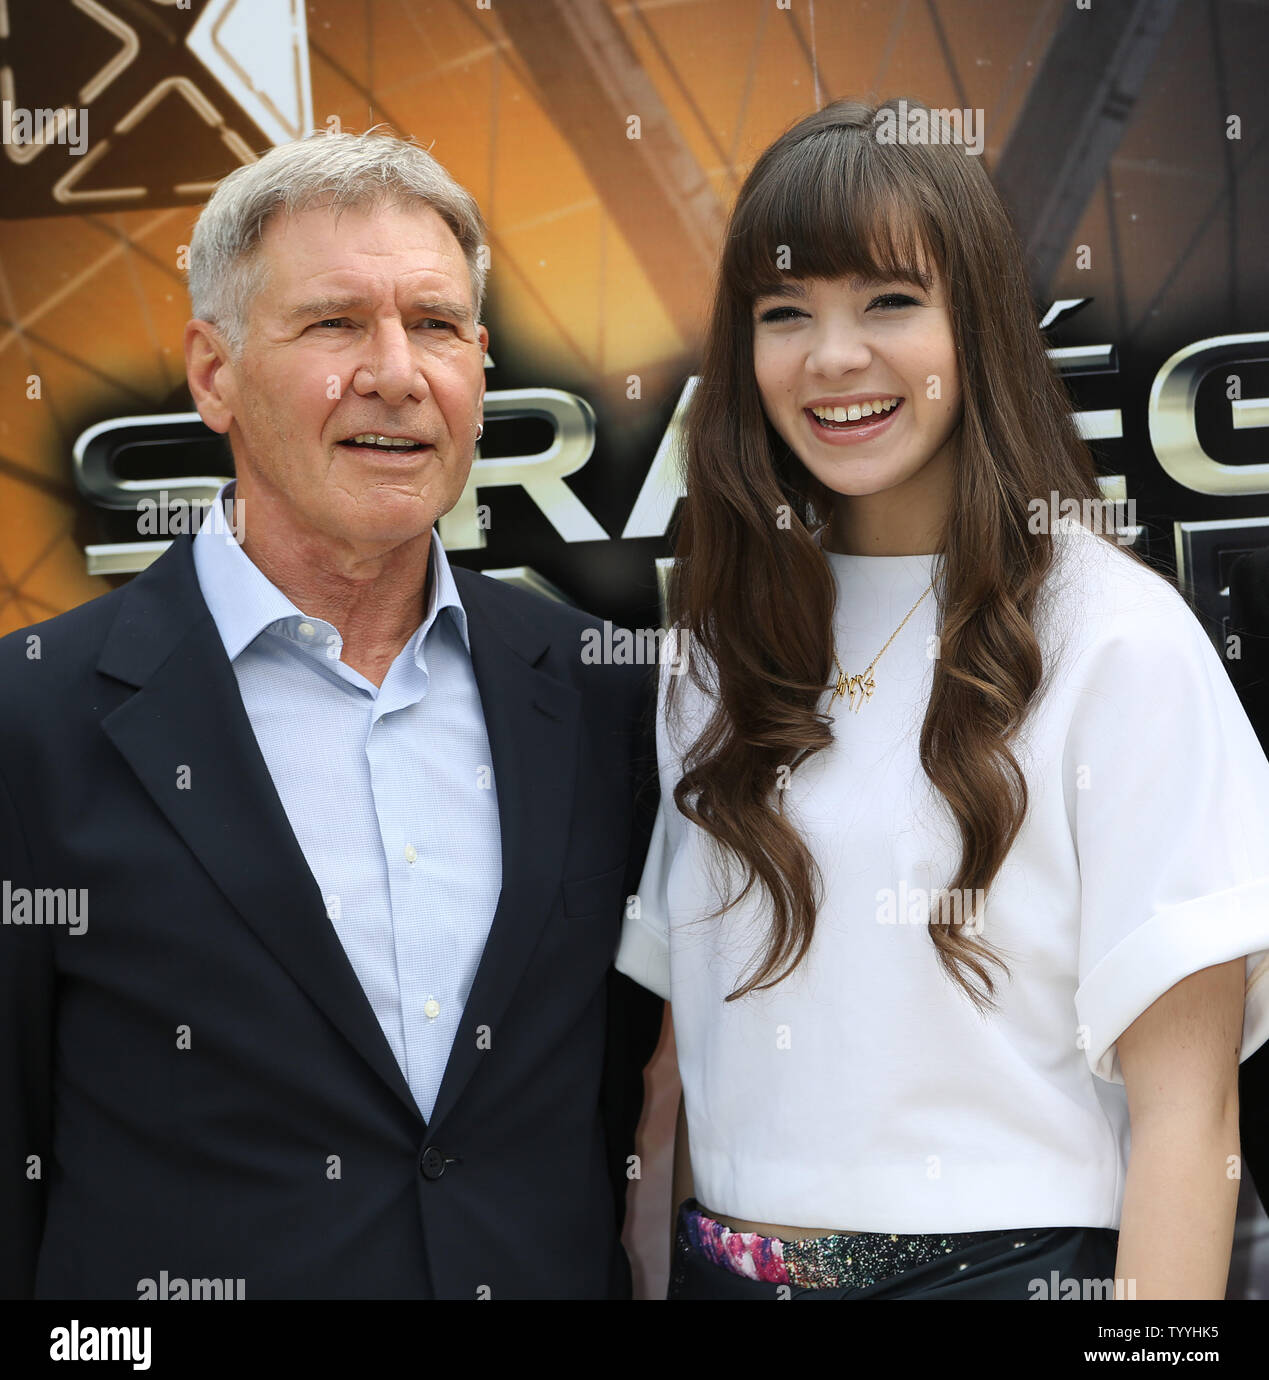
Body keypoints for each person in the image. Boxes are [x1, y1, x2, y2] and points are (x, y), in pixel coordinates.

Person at [616, 97, 1269, 1300]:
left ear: (979, 325)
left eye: (889, 302)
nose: (832, 357)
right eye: (783, 314)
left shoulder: (1116, 639)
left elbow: (1193, 1116)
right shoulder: (715, 647)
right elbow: (675, 1068)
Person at [0, 130, 662, 1299]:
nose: (398, 372)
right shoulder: (33, 716)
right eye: (334, 323)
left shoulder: (609, 688)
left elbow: (622, 1079)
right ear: (213, 374)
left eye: (437, 324)